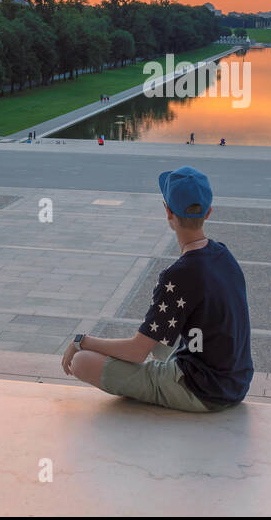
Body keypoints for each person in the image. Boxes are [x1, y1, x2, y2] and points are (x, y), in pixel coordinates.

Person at [61, 166, 253, 412]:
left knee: (82, 362)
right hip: (235, 382)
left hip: (201, 390)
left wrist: (82, 341)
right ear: (209, 212)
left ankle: (154, 382)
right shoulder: (223, 254)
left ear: (168, 212)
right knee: (160, 338)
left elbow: (137, 352)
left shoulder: (179, 275)